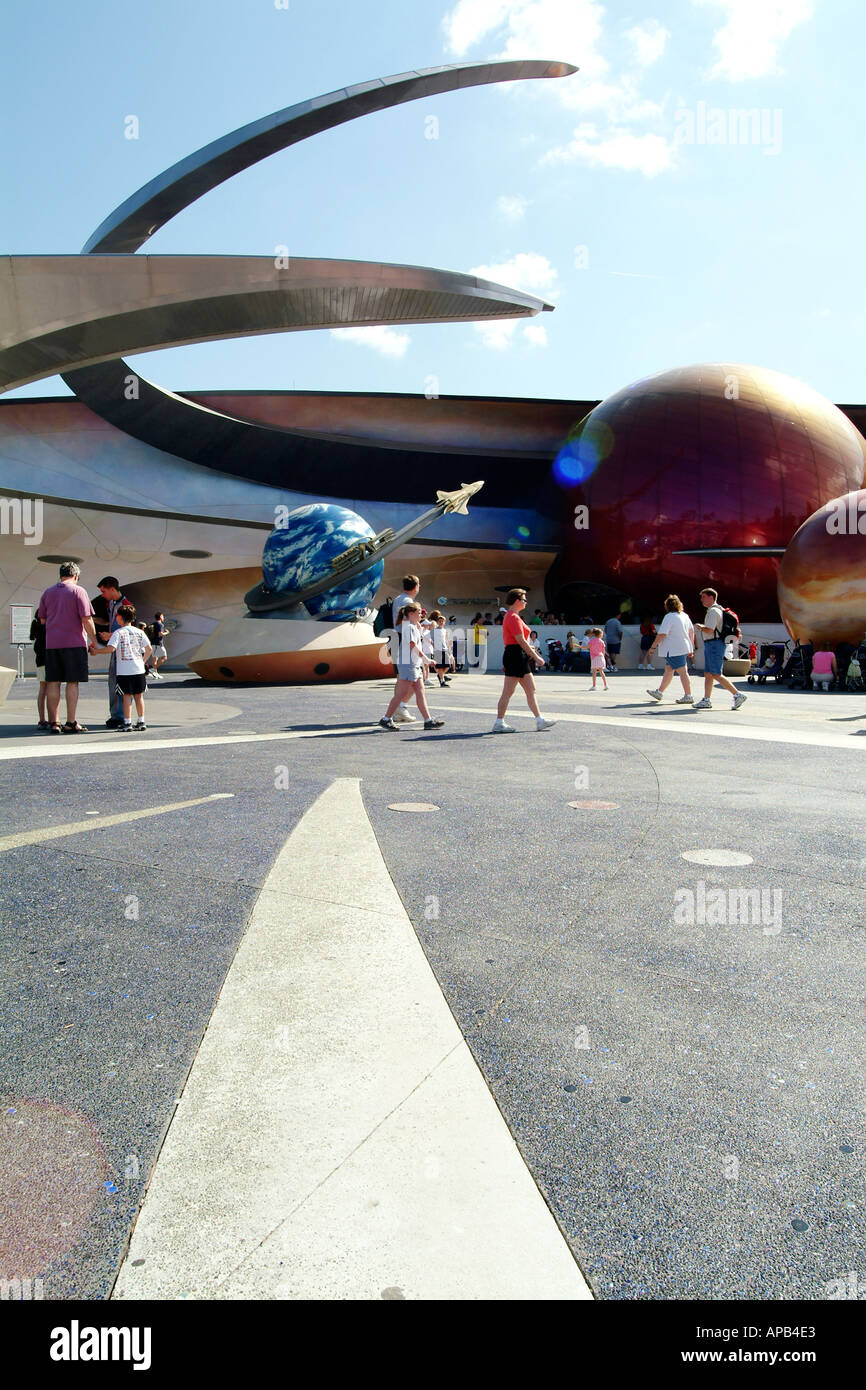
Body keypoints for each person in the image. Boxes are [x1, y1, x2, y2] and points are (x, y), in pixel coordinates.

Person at [36, 561, 97, 733]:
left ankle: (55, 722)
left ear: (60, 575)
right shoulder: (79, 591)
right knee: (72, 682)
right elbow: (86, 619)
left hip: (52, 644)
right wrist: (94, 640)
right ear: (76, 575)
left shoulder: (48, 592)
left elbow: (42, 619)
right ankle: (71, 722)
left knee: (53, 682)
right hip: (74, 643)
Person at [492, 588, 555, 733]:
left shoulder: (514, 616)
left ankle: (539, 720)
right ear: (517, 600)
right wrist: (536, 656)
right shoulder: (512, 617)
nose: (526, 602)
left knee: (530, 689)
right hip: (515, 655)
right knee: (508, 691)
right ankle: (499, 722)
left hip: (517, 656)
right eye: (524, 599)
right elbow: (520, 640)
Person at [379, 601, 443, 731]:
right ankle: (386, 719)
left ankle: (428, 720)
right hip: (408, 664)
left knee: (420, 692)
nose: (421, 615)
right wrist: (426, 659)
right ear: (412, 613)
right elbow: (412, 645)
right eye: (419, 613)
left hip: (413, 664)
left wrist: (419, 629)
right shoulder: (409, 627)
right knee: (401, 694)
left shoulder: (411, 626)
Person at [694, 588, 747, 711]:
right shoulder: (718, 610)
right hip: (714, 644)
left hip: (713, 644)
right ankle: (706, 700)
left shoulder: (713, 611)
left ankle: (738, 695)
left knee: (715, 673)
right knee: (708, 673)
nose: (701, 599)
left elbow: (710, 629)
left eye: (703, 596)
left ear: (711, 597)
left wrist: (701, 627)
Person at [91, 576, 132, 728]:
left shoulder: (126, 605)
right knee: (113, 681)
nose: (102, 595)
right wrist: (94, 620)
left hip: (122, 649)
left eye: (104, 591)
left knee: (120, 682)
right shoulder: (111, 603)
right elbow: (110, 621)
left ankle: (120, 715)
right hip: (115, 646)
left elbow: (127, 628)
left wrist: (111, 635)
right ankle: (116, 714)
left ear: (112, 589)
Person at [105, 604, 152, 730]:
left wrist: (96, 652)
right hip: (138, 669)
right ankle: (141, 721)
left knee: (126, 696)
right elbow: (149, 649)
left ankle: (127, 722)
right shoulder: (140, 632)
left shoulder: (118, 633)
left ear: (120, 617)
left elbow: (111, 649)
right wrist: (143, 661)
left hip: (124, 671)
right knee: (139, 696)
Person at [646, 596, 695, 704]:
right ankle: (659, 692)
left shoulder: (669, 617)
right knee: (669, 669)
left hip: (673, 649)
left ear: (667, 606)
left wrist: (653, 647)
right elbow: (691, 631)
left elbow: (662, 633)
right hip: (682, 647)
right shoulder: (684, 616)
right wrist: (691, 647)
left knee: (682, 672)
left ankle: (688, 695)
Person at [389, 575, 421, 724]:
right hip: (404, 639)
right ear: (416, 587)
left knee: (401, 677)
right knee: (412, 678)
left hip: (396, 637)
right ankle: (401, 707)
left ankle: (398, 710)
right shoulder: (408, 602)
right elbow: (407, 624)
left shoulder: (397, 599)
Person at [29, 613, 48, 730]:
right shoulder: (46, 630)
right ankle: (52, 719)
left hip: (40, 663)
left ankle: (42, 719)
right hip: (49, 663)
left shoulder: (37, 630)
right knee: (51, 690)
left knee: (42, 691)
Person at [430, 612, 453, 686]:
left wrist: (449, 650)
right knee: (440, 666)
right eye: (439, 621)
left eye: (442, 621)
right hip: (438, 650)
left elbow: (446, 640)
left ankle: (440, 675)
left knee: (447, 666)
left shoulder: (445, 630)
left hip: (445, 649)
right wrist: (434, 648)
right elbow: (431, 640)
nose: (441, 622)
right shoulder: (434, 630)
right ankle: (442, 681)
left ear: (444, 622)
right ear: (437, 622)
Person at [147, 612, 168, 679]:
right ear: (160, 616)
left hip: (153, 643)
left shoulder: (153, 624)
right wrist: (166, 632)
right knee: (164, 657)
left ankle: (155, 674)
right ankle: (153, 669)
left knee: (155, 658)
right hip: (158, 644)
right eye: (163, 616)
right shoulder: (160, 624)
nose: (163, 617)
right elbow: (160, 634)